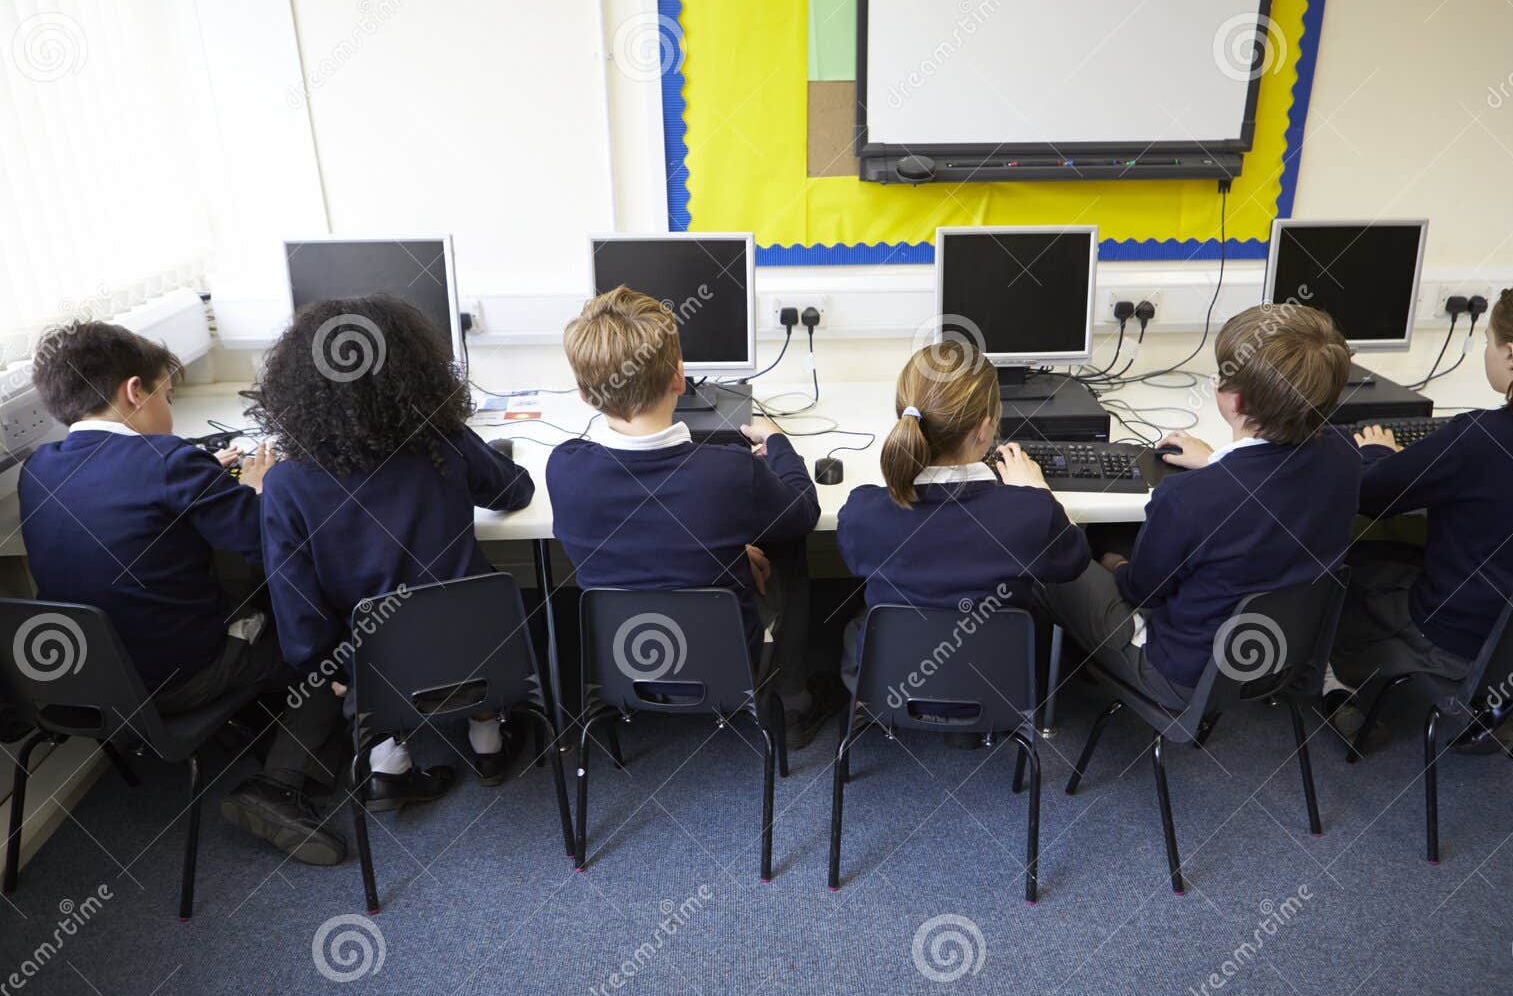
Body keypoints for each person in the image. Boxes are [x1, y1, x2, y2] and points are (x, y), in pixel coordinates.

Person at [21, 320, 346, 864]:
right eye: (166, 395)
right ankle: (277, 786)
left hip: (80, 682)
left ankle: (261, 732)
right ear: (134, 391)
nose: (169, 411)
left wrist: (204, 482)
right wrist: (257, 488)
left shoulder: (38, 470)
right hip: (178, 681)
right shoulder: (170, 462)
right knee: (309, 625)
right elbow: (270, 547)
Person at [249, 295, 533, 807]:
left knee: (357, 636)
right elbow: (514, 492)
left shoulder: (287, 485)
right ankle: (488, 742)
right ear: (416, 372)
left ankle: (388, 766)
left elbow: (301, 618)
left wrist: (332, 674)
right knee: (467, 596)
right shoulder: (440, 441)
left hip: (376, 673)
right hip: (482, 650)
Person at [545, 285, 830, 747]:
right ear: (679, 377)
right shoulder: (728, 471)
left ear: (583, 394)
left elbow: (646, 525)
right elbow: (803, 511)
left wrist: (729, 550)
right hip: (724, 658)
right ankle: (793, 702)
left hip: (623, 660)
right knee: (788, 541)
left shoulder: (565, 468)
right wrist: (777, 442)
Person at [1038, 303, 1360, 710]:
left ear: (1235, 401)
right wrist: (1218, 461)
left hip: (1180, 676)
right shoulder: (1344, 456)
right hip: (1281, 658)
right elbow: (1269, 494)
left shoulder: (1189, 498)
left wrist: (1109, 561)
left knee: (1051, 551)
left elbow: (1141, 591)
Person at [1330, 278, 1513, 750]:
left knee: (1345, 569)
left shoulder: (1478, 438)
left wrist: (1375, 452)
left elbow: (1369, 497)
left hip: (1459, 645)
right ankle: (1498, 706)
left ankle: (1341, 693)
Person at [836, 342, 1089, 691]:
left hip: (892, 687)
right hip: (998, 689)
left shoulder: (862, 513)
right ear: (984, 429)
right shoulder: (1031, 514)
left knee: (856, 623)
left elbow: (854, 559)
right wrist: (1038, 489)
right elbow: (1075, 559)